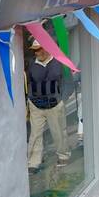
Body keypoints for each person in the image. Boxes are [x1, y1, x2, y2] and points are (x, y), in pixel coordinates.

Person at [26, 38, 70, 171]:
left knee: (58, 132)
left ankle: (63, 155)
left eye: (38, 49)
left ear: (45, 48)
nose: (36, 53)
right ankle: (33, 162)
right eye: (34, 50)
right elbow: (27, 82)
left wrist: (62, 99)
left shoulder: (58, 62)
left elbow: (67, 80)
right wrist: (29, 101)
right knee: (35, 134)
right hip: (36, 105)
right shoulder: (31, 64)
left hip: (54, 104)